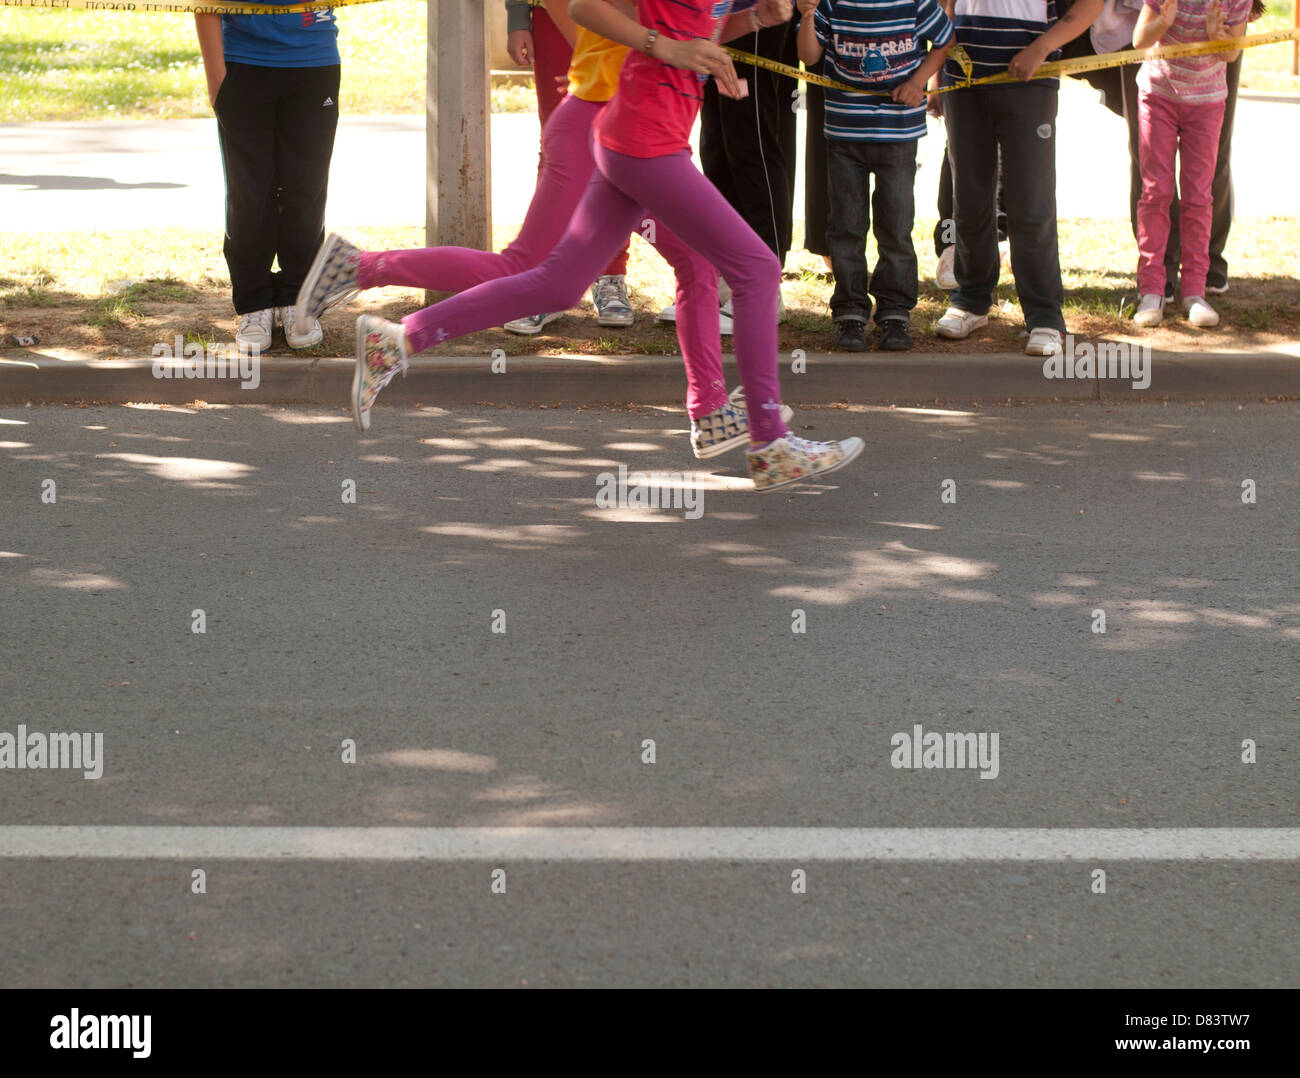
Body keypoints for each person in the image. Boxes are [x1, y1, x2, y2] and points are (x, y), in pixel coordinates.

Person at [311, 0, 864, 494]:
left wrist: (749, 21)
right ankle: (769, 443)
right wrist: (671, 47)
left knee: (557, 283)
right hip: (641, 138)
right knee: (756, 270)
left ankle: (397, 342)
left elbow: (688, 29)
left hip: (631, 135)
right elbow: (586, 8)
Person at [933, 0, 1103, 357]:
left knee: (1031, 201)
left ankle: (1044, 316)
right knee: (969, 197)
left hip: (1030, 80)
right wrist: (936, 74)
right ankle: (971, 301)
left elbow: (1091, 5)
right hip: (963, 79)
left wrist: (1040, 48)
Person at [796, 0, 953, 353]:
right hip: (844, 136)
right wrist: (807, 17)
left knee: (895, 227)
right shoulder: (831, 4)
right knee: (846, 226)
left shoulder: (914, 3)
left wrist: (918, 81)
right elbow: (808, 56)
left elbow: (944, 39)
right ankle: (850, 313)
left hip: (897, 135)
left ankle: (894, 313)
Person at [193, 1, 340, 352]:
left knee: (305, 191)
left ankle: (297, 300)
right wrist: (217, 81)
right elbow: (204, 5)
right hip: (243, 65)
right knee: (249, 193)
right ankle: (254, 304)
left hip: (314, 62)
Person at [504, 0, 635, 332]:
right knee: (557, 148)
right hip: (553, 10)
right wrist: (517, 15)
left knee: (618, 146)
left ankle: (610, 275)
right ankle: (542, 284)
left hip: (625, 13)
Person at [1130, 0, 1249, 327]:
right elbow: (1139, 38)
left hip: (1207, 102)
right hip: (1158, 97)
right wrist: (1161, 24)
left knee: (1199, 197)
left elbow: (1231, 54)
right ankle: (1151, 289)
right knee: (1155, 193)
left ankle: (1195, 292)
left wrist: (1216, 38)